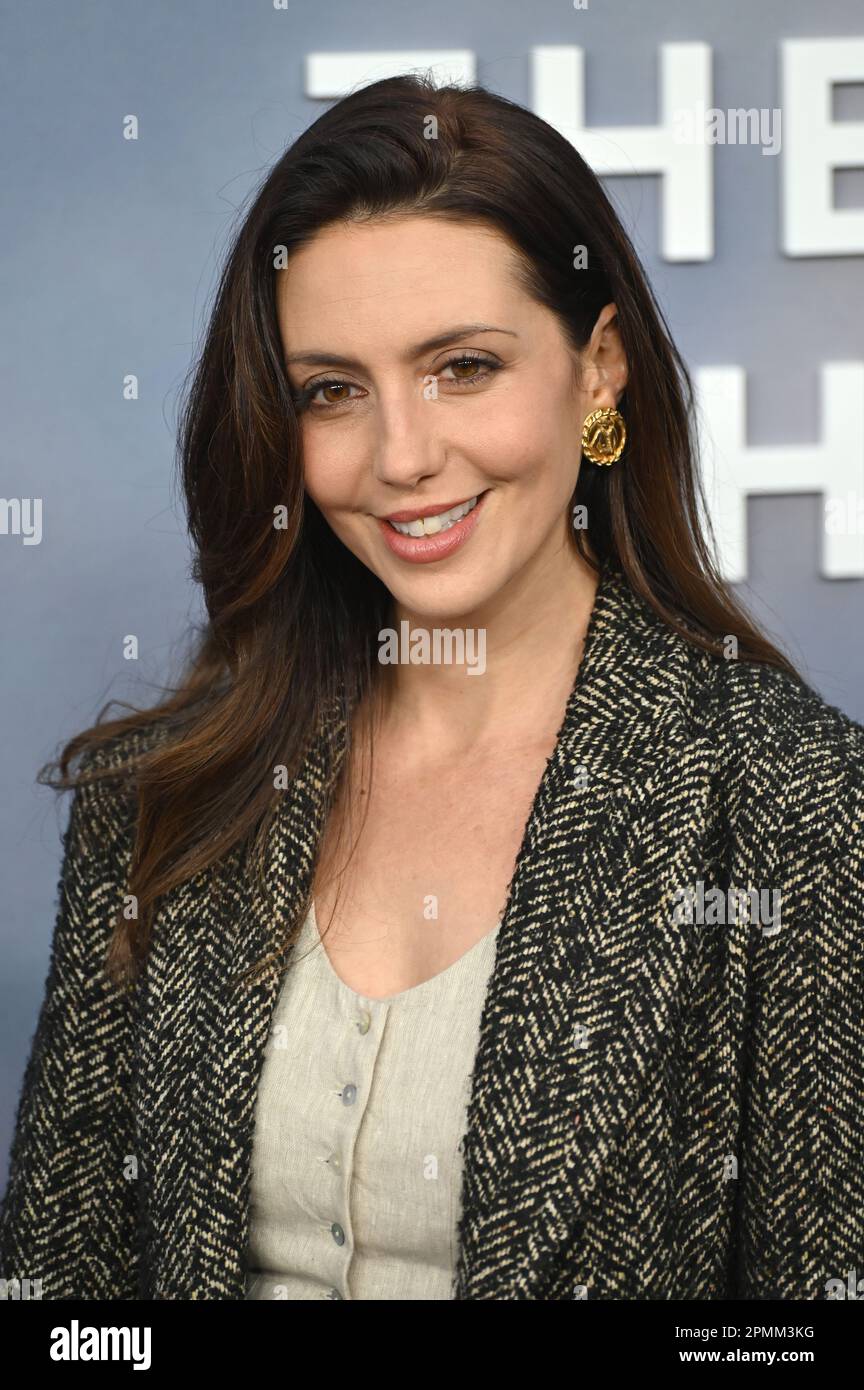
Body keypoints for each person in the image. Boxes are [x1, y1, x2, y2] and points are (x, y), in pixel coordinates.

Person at [1, 73, 862, 1302]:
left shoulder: (798, 806)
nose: (402, 457)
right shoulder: (168, 790)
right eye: (332, 391)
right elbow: (60, 1298)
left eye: (462, 367)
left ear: (600, 369)